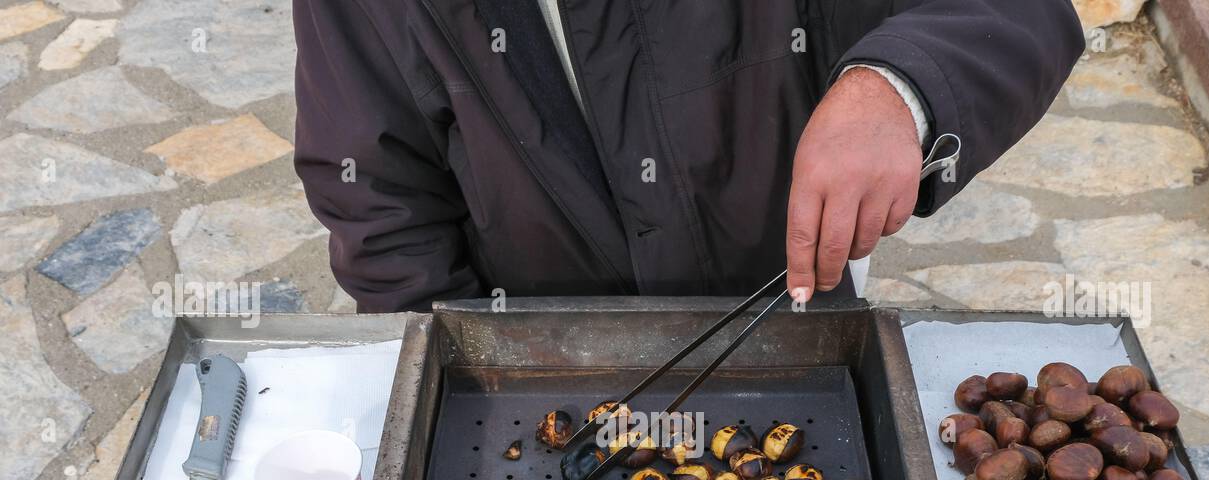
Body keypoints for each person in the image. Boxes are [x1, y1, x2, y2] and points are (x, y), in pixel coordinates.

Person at [294, 1, 1083, 313]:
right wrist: (459, 376)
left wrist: (898, 86)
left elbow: (1023, 11)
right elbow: (377, 191)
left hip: (788, 321)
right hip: (536, 362)